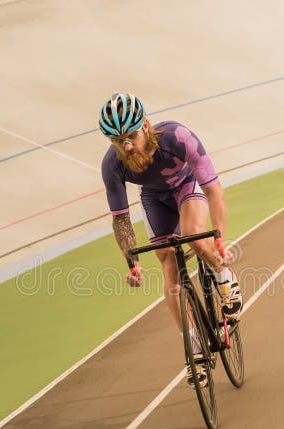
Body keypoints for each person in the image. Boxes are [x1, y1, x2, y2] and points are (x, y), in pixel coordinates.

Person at [98, 92, 242, 387]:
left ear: (146, 126)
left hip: (186, 187)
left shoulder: (178, 137)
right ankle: (194, 350)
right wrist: (133, 263)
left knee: (194, 237)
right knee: (169, 270)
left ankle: (225, 279)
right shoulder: (112, 165)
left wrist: (219, 242)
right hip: (154, 199)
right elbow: (121, 219)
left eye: (131, 136)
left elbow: (213, 190)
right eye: (117, 140)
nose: (126, 146)